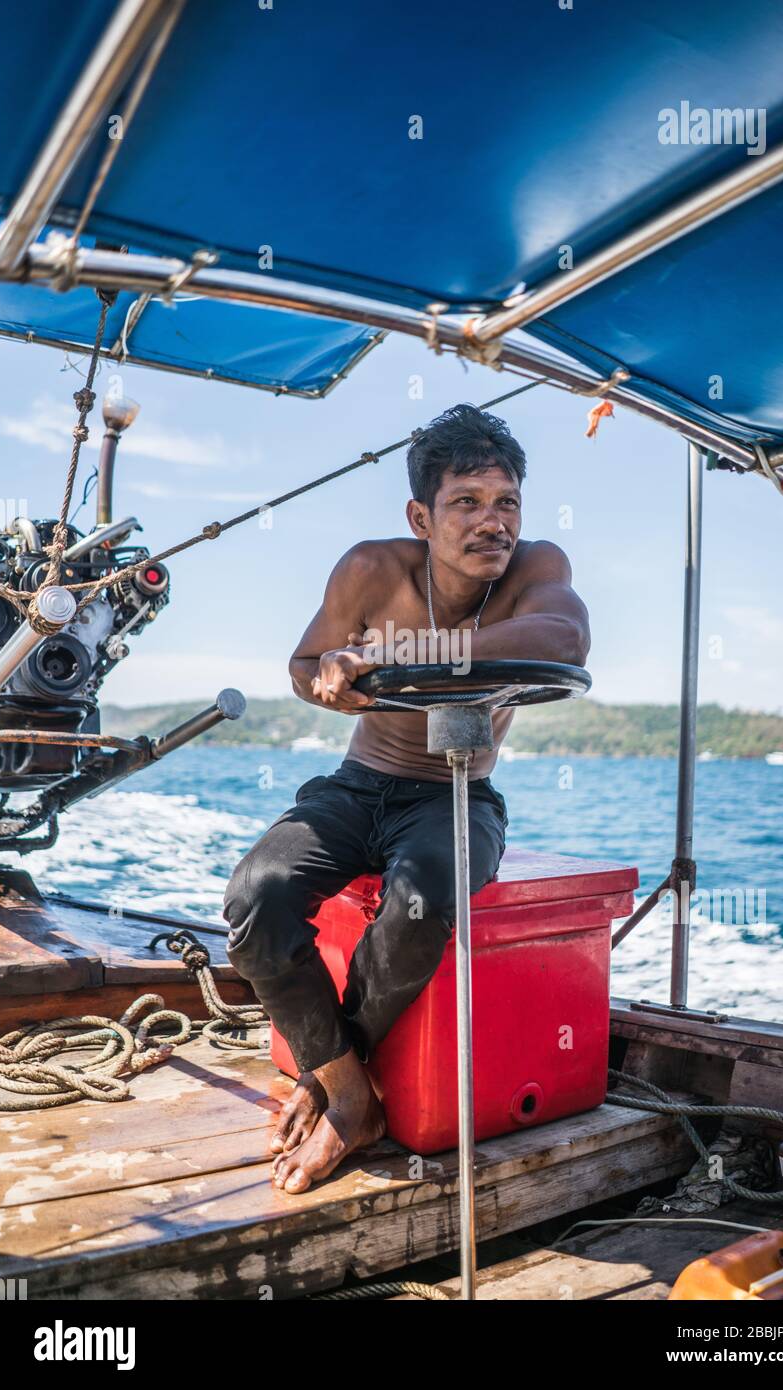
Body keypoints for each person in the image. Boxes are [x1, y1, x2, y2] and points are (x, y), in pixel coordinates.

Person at [223, 403, 590, 1193]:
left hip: (456, 795)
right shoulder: (370, 569)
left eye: (506, 502)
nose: (492, 522)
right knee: (258, 896)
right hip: (358, 785)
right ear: (420, 514)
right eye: (466, 503)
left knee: (422, 896)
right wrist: (329, 677)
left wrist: (409, 653)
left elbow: (562, 639)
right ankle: (351, 1091)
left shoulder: (537, 569)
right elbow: (303, 660)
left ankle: (331, 1083)